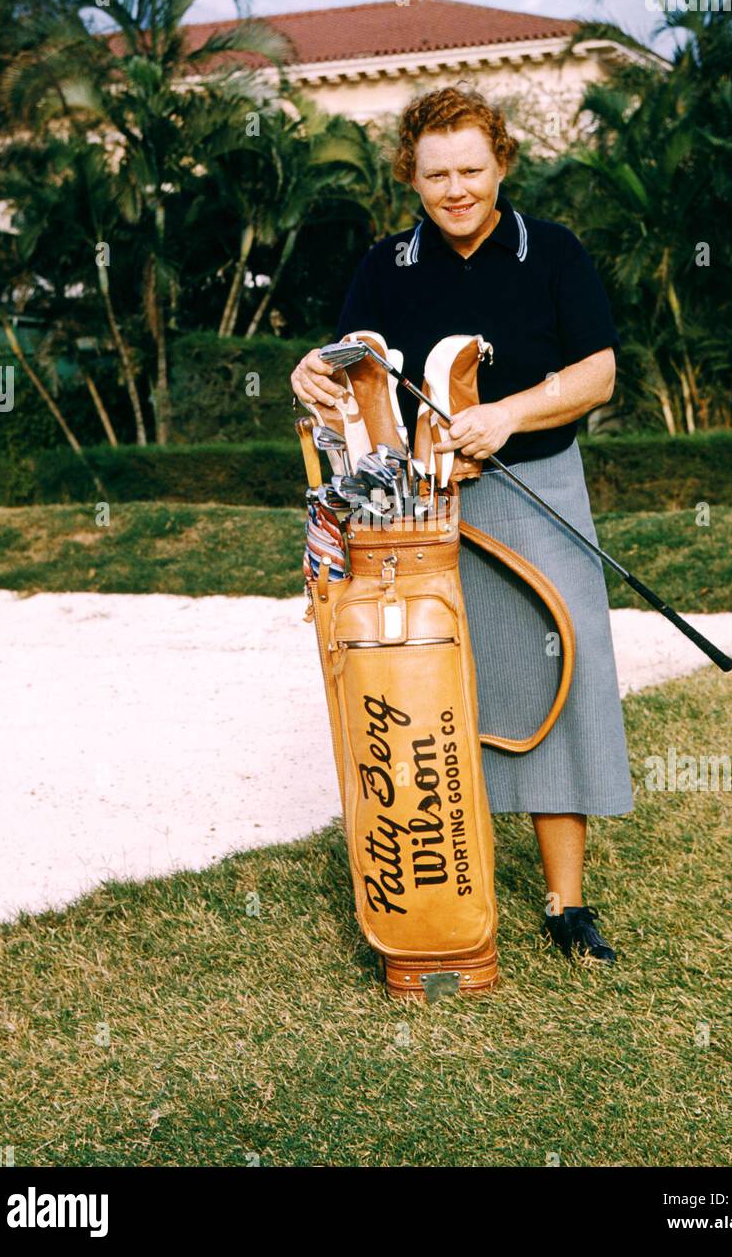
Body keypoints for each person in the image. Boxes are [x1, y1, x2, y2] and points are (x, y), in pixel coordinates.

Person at [290, 85, 633, 964]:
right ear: (411, 175)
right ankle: (450, 886)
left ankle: (565, 906)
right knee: (427, 695)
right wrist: (310, 375)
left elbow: (597, 373)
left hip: (539, 487)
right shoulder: (382, 264)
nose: (455, 189)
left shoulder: (550, 251)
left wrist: (508, 414)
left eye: (471, 170)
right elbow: (352, 373)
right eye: (435, 173)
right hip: (415, 509)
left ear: (501, 163)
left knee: (564, 678)